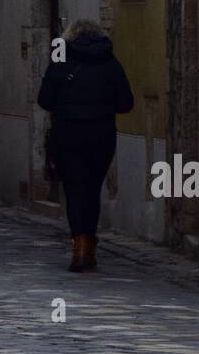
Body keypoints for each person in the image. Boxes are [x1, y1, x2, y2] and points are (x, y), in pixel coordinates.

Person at [38, 19, 134, 273]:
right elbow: (126, 103)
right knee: (92, 189)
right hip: (101, 135)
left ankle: (79, 247)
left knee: (74, 189)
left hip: (68, 134)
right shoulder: (110, 63)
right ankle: (88, 245)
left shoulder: (61, 62)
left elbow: (44, 100)